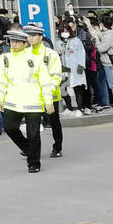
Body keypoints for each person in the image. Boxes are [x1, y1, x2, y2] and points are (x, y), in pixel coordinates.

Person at [0, 28, 51, 173]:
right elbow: (1, 80)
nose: (13, 44)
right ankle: (28, 148)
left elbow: (45, 80)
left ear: (24, 43)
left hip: (33, 101)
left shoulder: (35, 58)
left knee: (33, 134)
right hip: (12, 100)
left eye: (16, 41)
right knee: (9, 127)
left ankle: (33, 163)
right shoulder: (5, 58)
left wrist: (48, 100)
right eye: (11, 41)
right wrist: (0, 98)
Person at [26, 25, 64, 157]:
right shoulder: (25, 54)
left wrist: (48, 91)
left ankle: (57, 147)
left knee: (54, 122)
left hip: (51, 95)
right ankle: (31, 149)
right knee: (33, 124)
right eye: (29, 36)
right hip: (33, 96)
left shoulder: (50, 54)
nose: (30, 38)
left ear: (41, 37)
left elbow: (56, 75)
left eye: (34, 35)